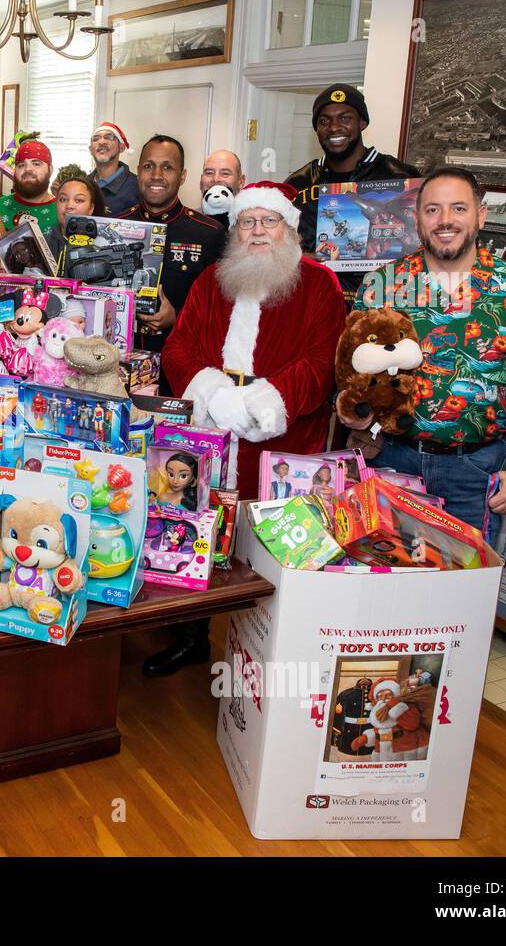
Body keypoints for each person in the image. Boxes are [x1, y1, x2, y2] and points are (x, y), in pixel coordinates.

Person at [150, 181, 345, 676]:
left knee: (271, 552)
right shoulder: (212, 280)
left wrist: (266, 401)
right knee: (199, 534)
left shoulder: (320, 284)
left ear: (289, 227)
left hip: (281, 441)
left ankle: (266, 657)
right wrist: (214, 393)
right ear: (235, 229)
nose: (258, 231)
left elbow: (325, 362)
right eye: (247, 222)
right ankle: (192, 636)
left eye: (269, 220)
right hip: (210, 433)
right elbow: (178, 348)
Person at [344, 166, 506, 540]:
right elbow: (355, 373)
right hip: (390, 462)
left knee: (464, 591)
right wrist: (362, 427)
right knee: (382, 583)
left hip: (476, 473)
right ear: (417, 220)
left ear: (481, 215)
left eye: (458, 209)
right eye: (433, 210)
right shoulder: (381, 285)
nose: (445, 220)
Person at [286, 84, 419, 299]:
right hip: (315, 300)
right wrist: (297, 258)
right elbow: (276, 244)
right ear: (316, 129)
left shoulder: (402, 178)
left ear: (362, 123)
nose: (334, 127)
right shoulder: (298, 183)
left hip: (381, 302)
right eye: (324, 121)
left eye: (345, 118)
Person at [119, 135, 226, 359]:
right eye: (149, 166)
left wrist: (176, 317)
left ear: (183, 175)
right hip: (118, 360)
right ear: (138, 171)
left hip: (179, 362)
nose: (156, 176)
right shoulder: (115, 227)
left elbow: (220, 310)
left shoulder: (208, 233)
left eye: (167, 167)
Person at [0, 138, 58, 234]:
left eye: (36, 164)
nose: (28, 169)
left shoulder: (62, 211)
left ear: (50, 170)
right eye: (21, 165)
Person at [44, 172, 107, 259]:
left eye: (79, 200)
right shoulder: (42, 245)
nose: (69, 206)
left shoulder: (104, 245)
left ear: (91, 208)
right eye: (63, 199)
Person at [89, 122, 139, 218]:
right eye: (96, 139)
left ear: (121, 147)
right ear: (91, 149)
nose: (102, 142)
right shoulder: (83, 185)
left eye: (109, 137)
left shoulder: (138, 187)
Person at [199, 149, 245, 229]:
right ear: (201, 181)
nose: (216, 179)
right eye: (209, 173)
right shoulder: (188, 222)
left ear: (240, 182)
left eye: (225, 173)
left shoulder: (251, 224)